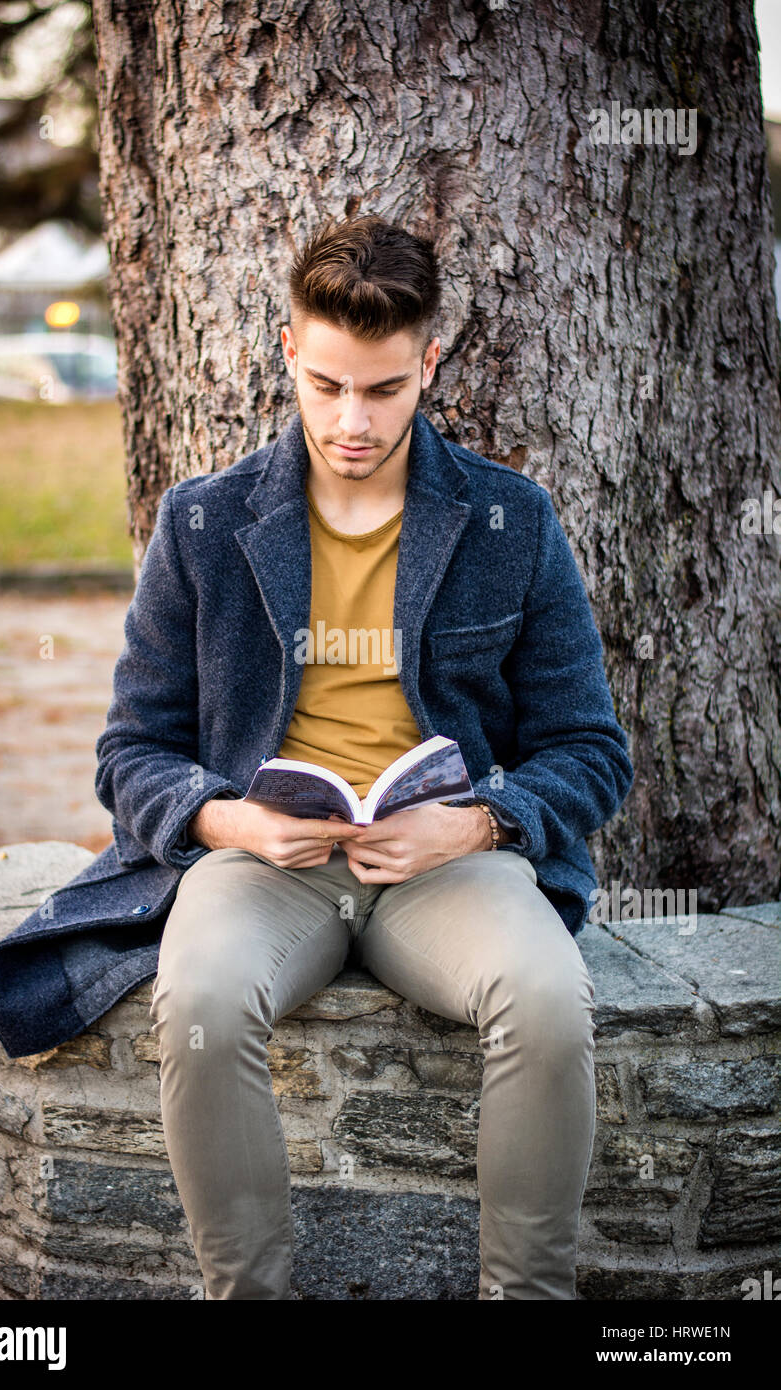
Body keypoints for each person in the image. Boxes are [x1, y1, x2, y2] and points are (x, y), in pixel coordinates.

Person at [96, 213, 635, 1300]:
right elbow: (130, 750)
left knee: (543, 996)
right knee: (196, 997)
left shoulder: (508, 521)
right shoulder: (203, 524)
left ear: (427, 362)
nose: (351, 419)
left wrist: (480, 818)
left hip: (446, 860)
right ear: (288, 351)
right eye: (328, 383)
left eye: (384, 389)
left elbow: (589, 749)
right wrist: (225, 818)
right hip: (264, 863)